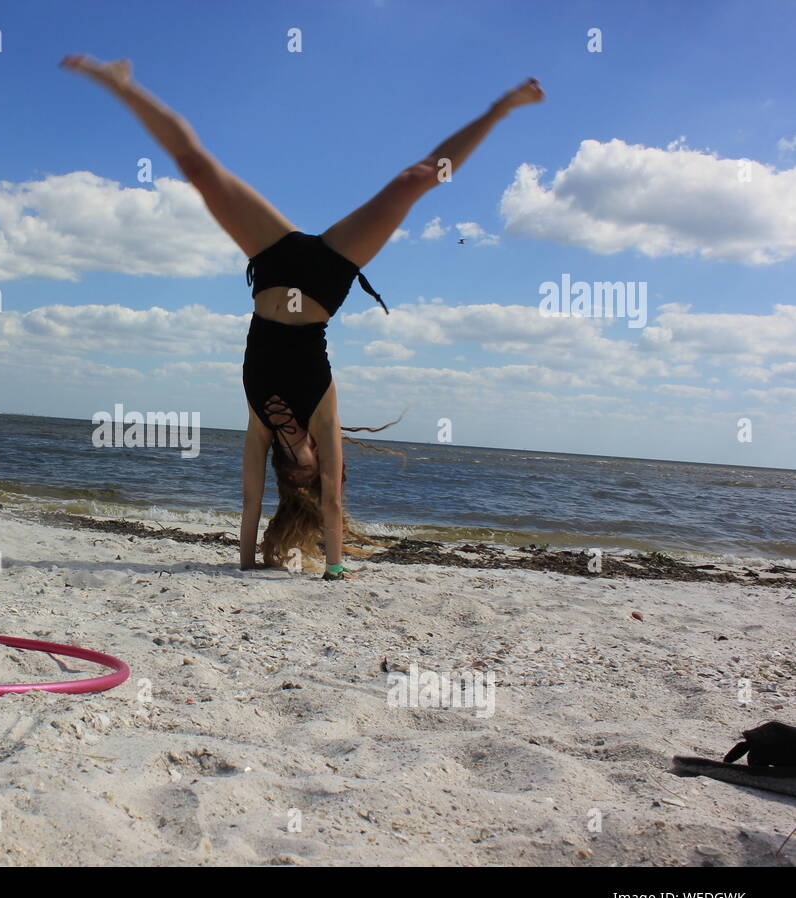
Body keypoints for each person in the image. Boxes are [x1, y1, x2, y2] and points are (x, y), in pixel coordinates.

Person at [61, 54, 544, 579]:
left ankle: (120, 84)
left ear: (281, 473)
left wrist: (243, 565)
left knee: (198, 170)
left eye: (288, 481)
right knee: (416, 179)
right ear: (319, 469)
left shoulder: (258, 427)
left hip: (273, 266)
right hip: (326, 274)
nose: (298, 477)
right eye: (308, 478)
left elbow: (248, 507)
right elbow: (333, 507)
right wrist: (335, 568)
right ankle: (500, 110)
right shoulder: (324, 417)